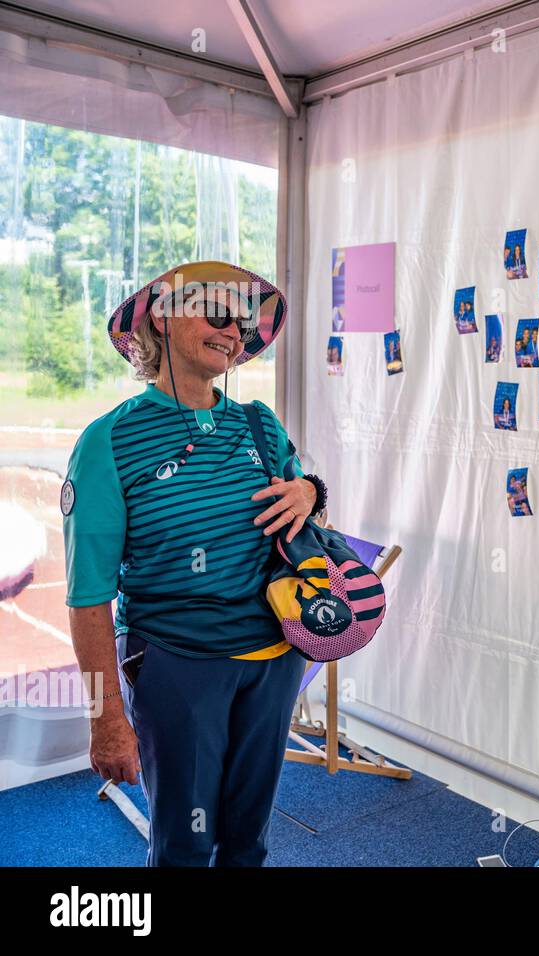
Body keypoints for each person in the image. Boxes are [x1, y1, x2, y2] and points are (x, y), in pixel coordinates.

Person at [67, 261, 322, 866]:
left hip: (274, 663)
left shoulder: (260, 424)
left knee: (248, 841)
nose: (233, 330)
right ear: (163, 316)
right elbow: (87, 596)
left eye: (241, 321)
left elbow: (306, 529)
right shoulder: (108, 442)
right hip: (178, 669)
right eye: (217, 312)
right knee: (183, 844)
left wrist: (312, 490)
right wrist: (106, 717)